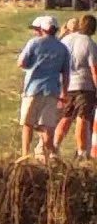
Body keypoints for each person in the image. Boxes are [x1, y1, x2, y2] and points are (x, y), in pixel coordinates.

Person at [17, 15, 70, 161]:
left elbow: (21, 62)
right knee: (46, 126)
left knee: (27, 123)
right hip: (52, 91)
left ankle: (25, 155)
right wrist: (64, 92)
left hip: (33, 89)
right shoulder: (63, 48)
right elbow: (66, 73)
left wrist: (31, 66)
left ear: (42, 29)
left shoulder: (34, 43)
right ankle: (48, 156)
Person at [55, 14, 97, 158]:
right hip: (84, 86)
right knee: (82, 117)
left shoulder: (66, 40)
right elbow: (94, 69)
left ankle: (54, 146)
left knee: (66, 117)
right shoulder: (89, 43)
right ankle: (81, 151)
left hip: (66, 85)